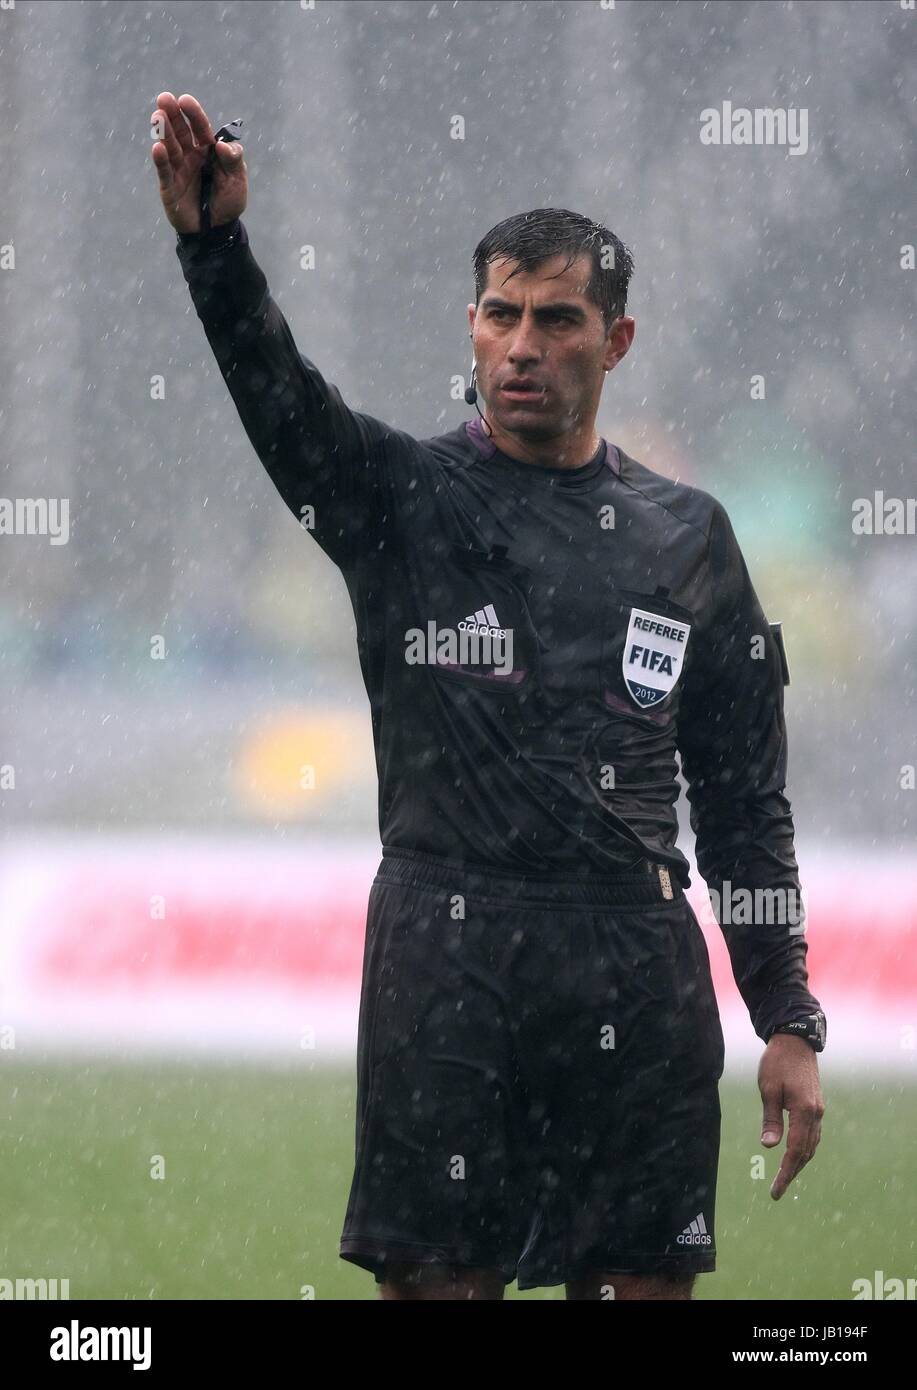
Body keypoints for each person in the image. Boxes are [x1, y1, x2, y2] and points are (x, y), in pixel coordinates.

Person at [152, 91, 826, 1302]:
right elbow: (278, 399)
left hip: (633, 956)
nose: (522, 346)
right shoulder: (397, 498)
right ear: (468, 327)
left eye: (556, 320)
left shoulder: (690, 537)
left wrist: (785, 1014)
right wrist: (214, 248)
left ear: (613, 342)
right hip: (444, 953)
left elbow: (741, 801)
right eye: (501, 316)